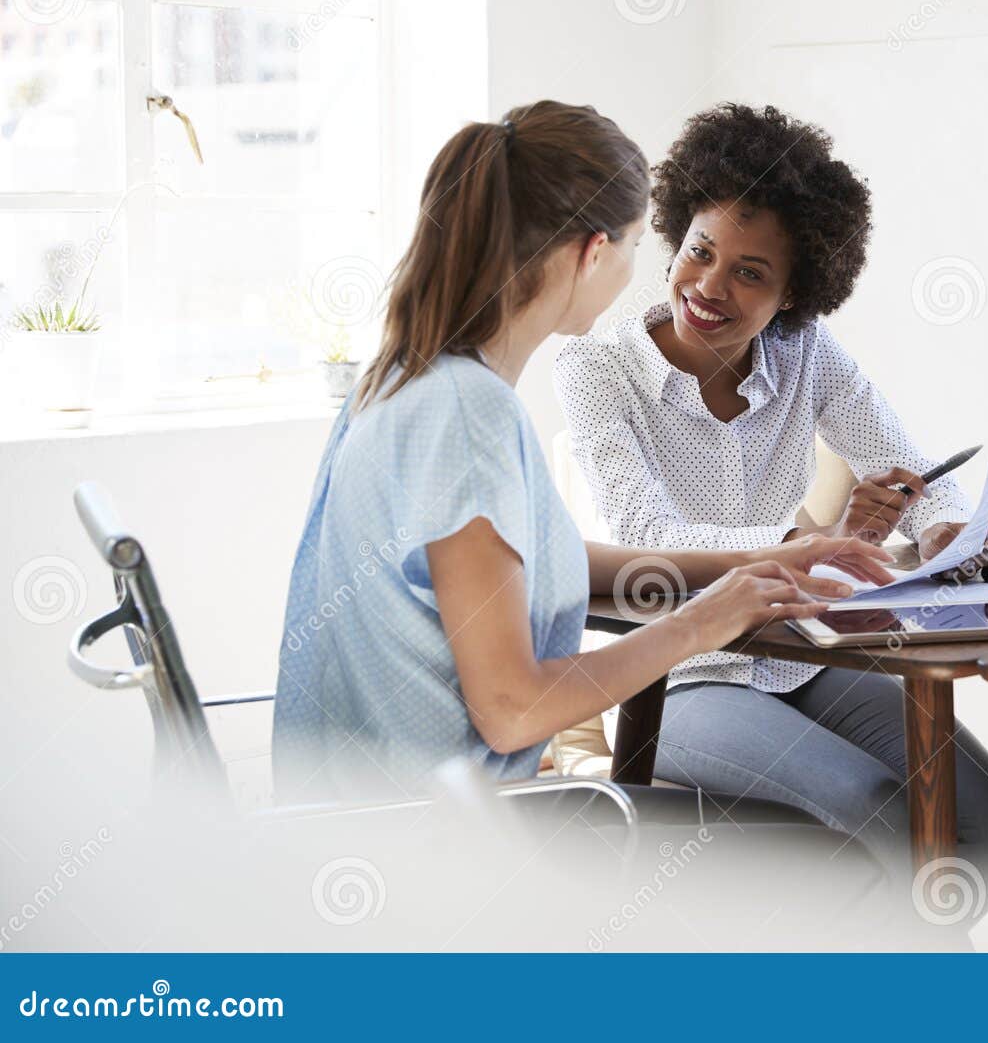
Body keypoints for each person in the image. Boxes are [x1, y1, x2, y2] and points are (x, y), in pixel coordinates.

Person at [271, 100, 893, 807]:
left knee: (884, 823)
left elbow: (535, 560)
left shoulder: (404, 380)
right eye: (635, 244)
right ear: (594, 251)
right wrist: (698, 623)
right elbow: (511, 710)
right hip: (437, 849)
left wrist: (763, 559)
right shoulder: (468, 416)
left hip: (366, 823)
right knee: (858, 834)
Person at [555, 103, 988, 894]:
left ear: (794, 295)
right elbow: (647, 530)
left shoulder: (804, 352)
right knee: (883, 811)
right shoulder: (596, 369)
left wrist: (945, 521)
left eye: (750, 272)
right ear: (677, 238)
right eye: (702, 252)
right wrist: (798, 545)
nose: (709, 286)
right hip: (678, 673)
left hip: (795, 659)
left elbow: (914, 467)